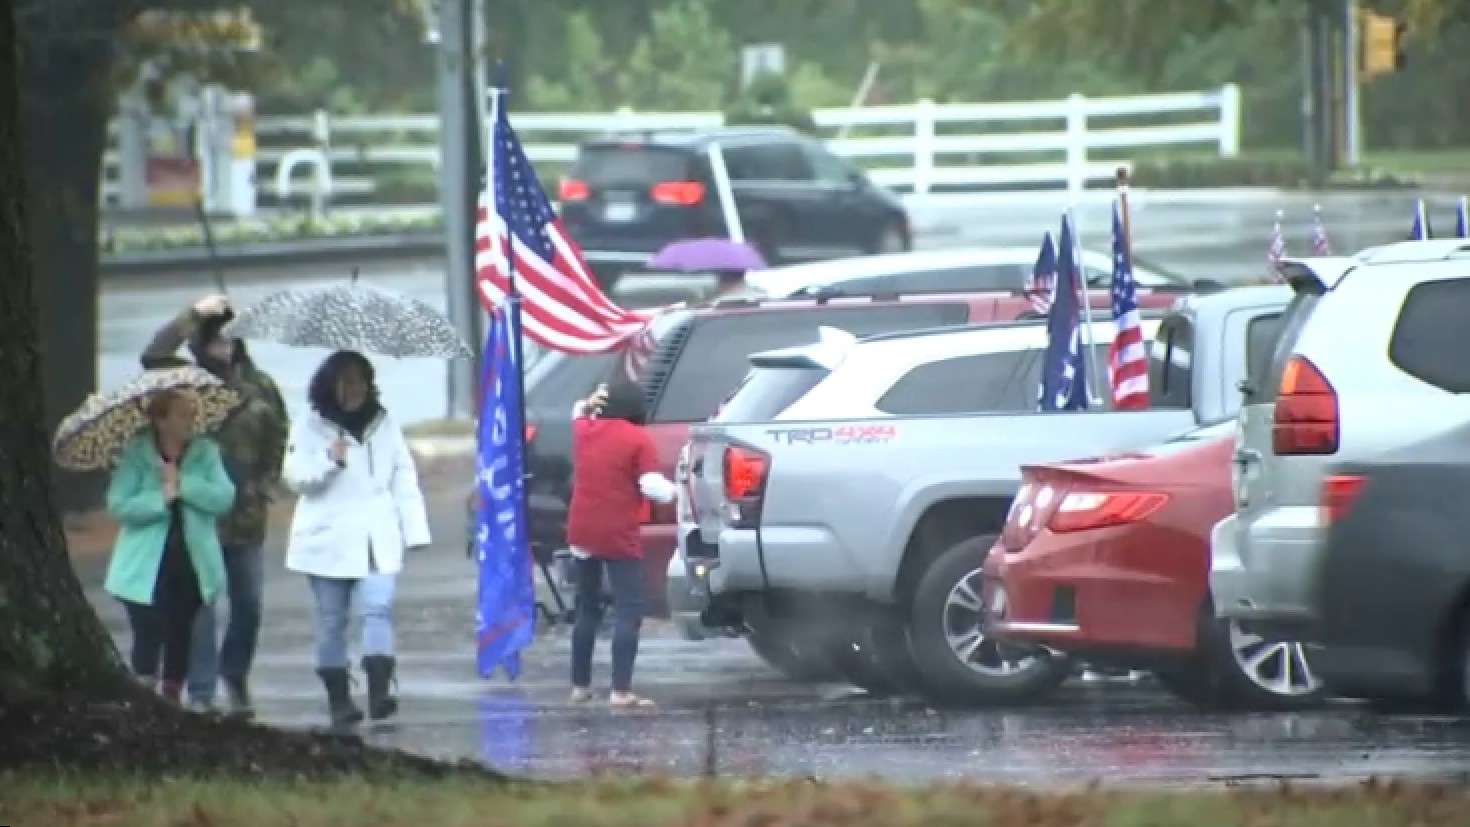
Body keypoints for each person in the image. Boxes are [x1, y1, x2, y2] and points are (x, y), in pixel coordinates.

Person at [141, 293, 289, 718]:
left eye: (229, 339)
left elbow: (278, 435)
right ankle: (201, 691)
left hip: (245, 516)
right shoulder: (185, 381)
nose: (222, 348)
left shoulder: (259, 385)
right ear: (201, 345)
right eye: (214, 340)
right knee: (199, 607)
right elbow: (152, 355)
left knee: (248, 605)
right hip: (198, 515)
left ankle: (235, 674)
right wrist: (194, 314)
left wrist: (265, 483)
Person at [282, 350, 430, 726]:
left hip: (377, 535)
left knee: (377, 609)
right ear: (330, 385)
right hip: (327, 538)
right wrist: (331, 461)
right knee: (331, 620)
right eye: (345, 381)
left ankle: (380, 690)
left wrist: (414, 530)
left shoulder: (384, 423)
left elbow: (403, 476)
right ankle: (339, 699)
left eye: (360, 380)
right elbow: (297, 478)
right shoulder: (310, 424)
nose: (354, 388)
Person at [105, 389, 236, 703]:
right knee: (148, 631)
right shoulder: (136, 453)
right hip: (144, 564)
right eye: (181, 414)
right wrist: (160, 498)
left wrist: (184, 485)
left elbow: (224, 497)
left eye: (191, 412)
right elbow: (119, 505)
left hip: (191, 560)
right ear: (161, 420)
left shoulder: (205, 452)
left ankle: (172, 698)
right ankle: (145, 697)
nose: (189, 420)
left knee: (181, 633)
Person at [565, 380, 676, 708]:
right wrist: (679, 492)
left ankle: (579, 685)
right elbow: (651, 485)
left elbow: (577, 411)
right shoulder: (637, 438)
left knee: (586, 609)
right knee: (629, 610)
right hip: (618, 533)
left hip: (581, 530)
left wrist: (590, 400)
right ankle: (621, 690)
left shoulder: (586, 430)